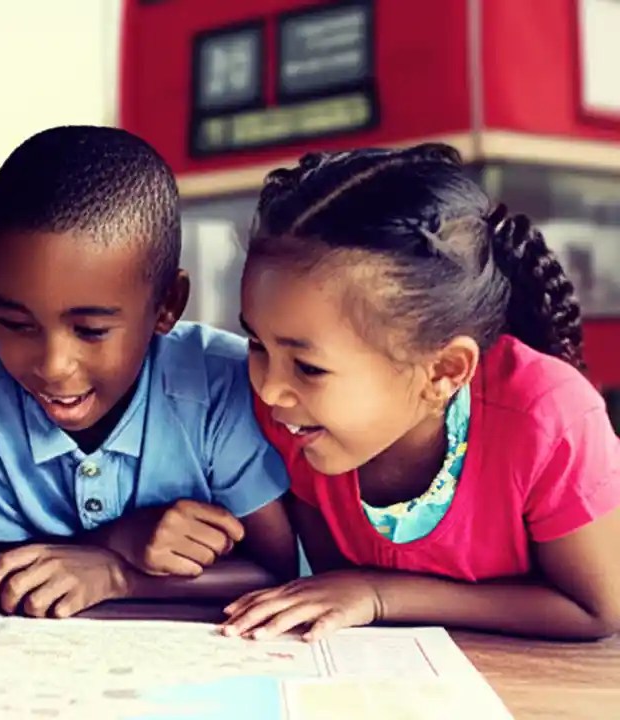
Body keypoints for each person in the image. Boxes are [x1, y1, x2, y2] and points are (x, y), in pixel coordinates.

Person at [224, 144, 620, 641]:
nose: (270, 389)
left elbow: (595, 609)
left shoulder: (550, 418)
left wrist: (379, 595)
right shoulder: (298, 424)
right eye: (257, 344)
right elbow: (330, 588)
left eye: (308, 366)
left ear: (443, 371)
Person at [0, 125, 297, 619]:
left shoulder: (221, 385)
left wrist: (117, 574)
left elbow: (280, 571)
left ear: (167, 306)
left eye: (90, 330)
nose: (52, 365)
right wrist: (115, 539)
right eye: (14, 323)